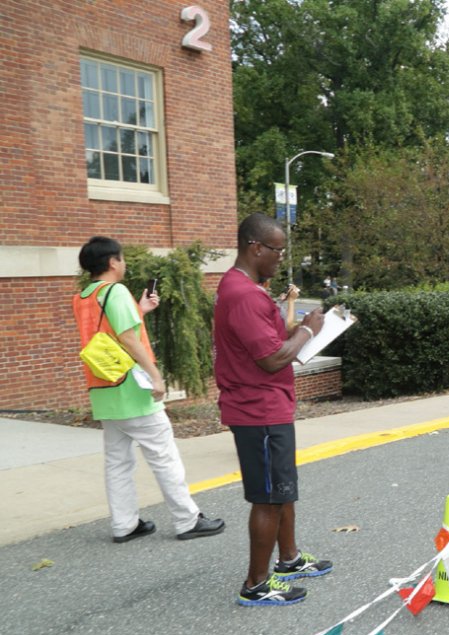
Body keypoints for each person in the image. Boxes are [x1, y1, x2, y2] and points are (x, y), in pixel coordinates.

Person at [72, 237, 225, 543]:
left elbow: (109, 333)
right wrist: (156, 375)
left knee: (117, 461)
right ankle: (187, 520)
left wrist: (139, 309)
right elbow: (128, 339)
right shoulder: (115, 291)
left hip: (104, 388)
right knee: (163, 455)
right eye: (122, 258)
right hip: (132, 389)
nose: (124, 263)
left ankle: (124, 524)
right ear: (112, 262)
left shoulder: (84, 296)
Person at [214, 213, 333, 607]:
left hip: (269, 407)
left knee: (283, 490)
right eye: (277, 251)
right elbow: (270, 358)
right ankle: (256, 584)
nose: (281, 258)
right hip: (258, 411)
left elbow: (268, 339)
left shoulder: (248, 289)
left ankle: (289, 560)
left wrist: (301, 327)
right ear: (255, 247)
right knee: (267, 497)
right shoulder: (244, 294)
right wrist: (309, 331)